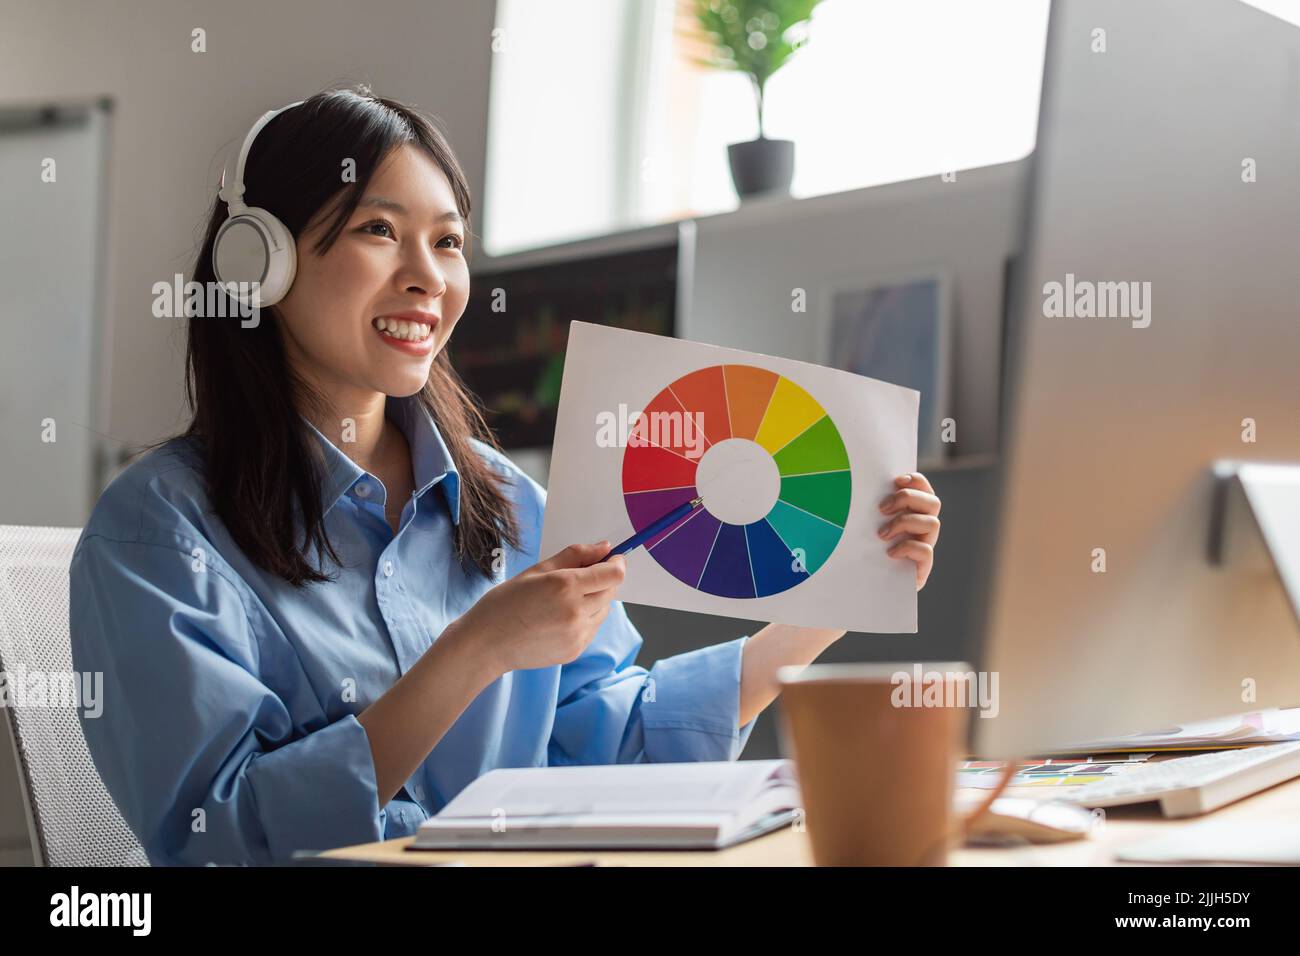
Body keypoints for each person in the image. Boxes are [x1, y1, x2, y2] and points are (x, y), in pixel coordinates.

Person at [69, 86, 942, 866]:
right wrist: (478, 650)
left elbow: (612, 744)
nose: (429, 279)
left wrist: (824, 608)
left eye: (448, 243)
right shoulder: (159, 530)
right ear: (260, 262)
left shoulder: (508, 500)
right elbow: (217, 844)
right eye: (380, 230)